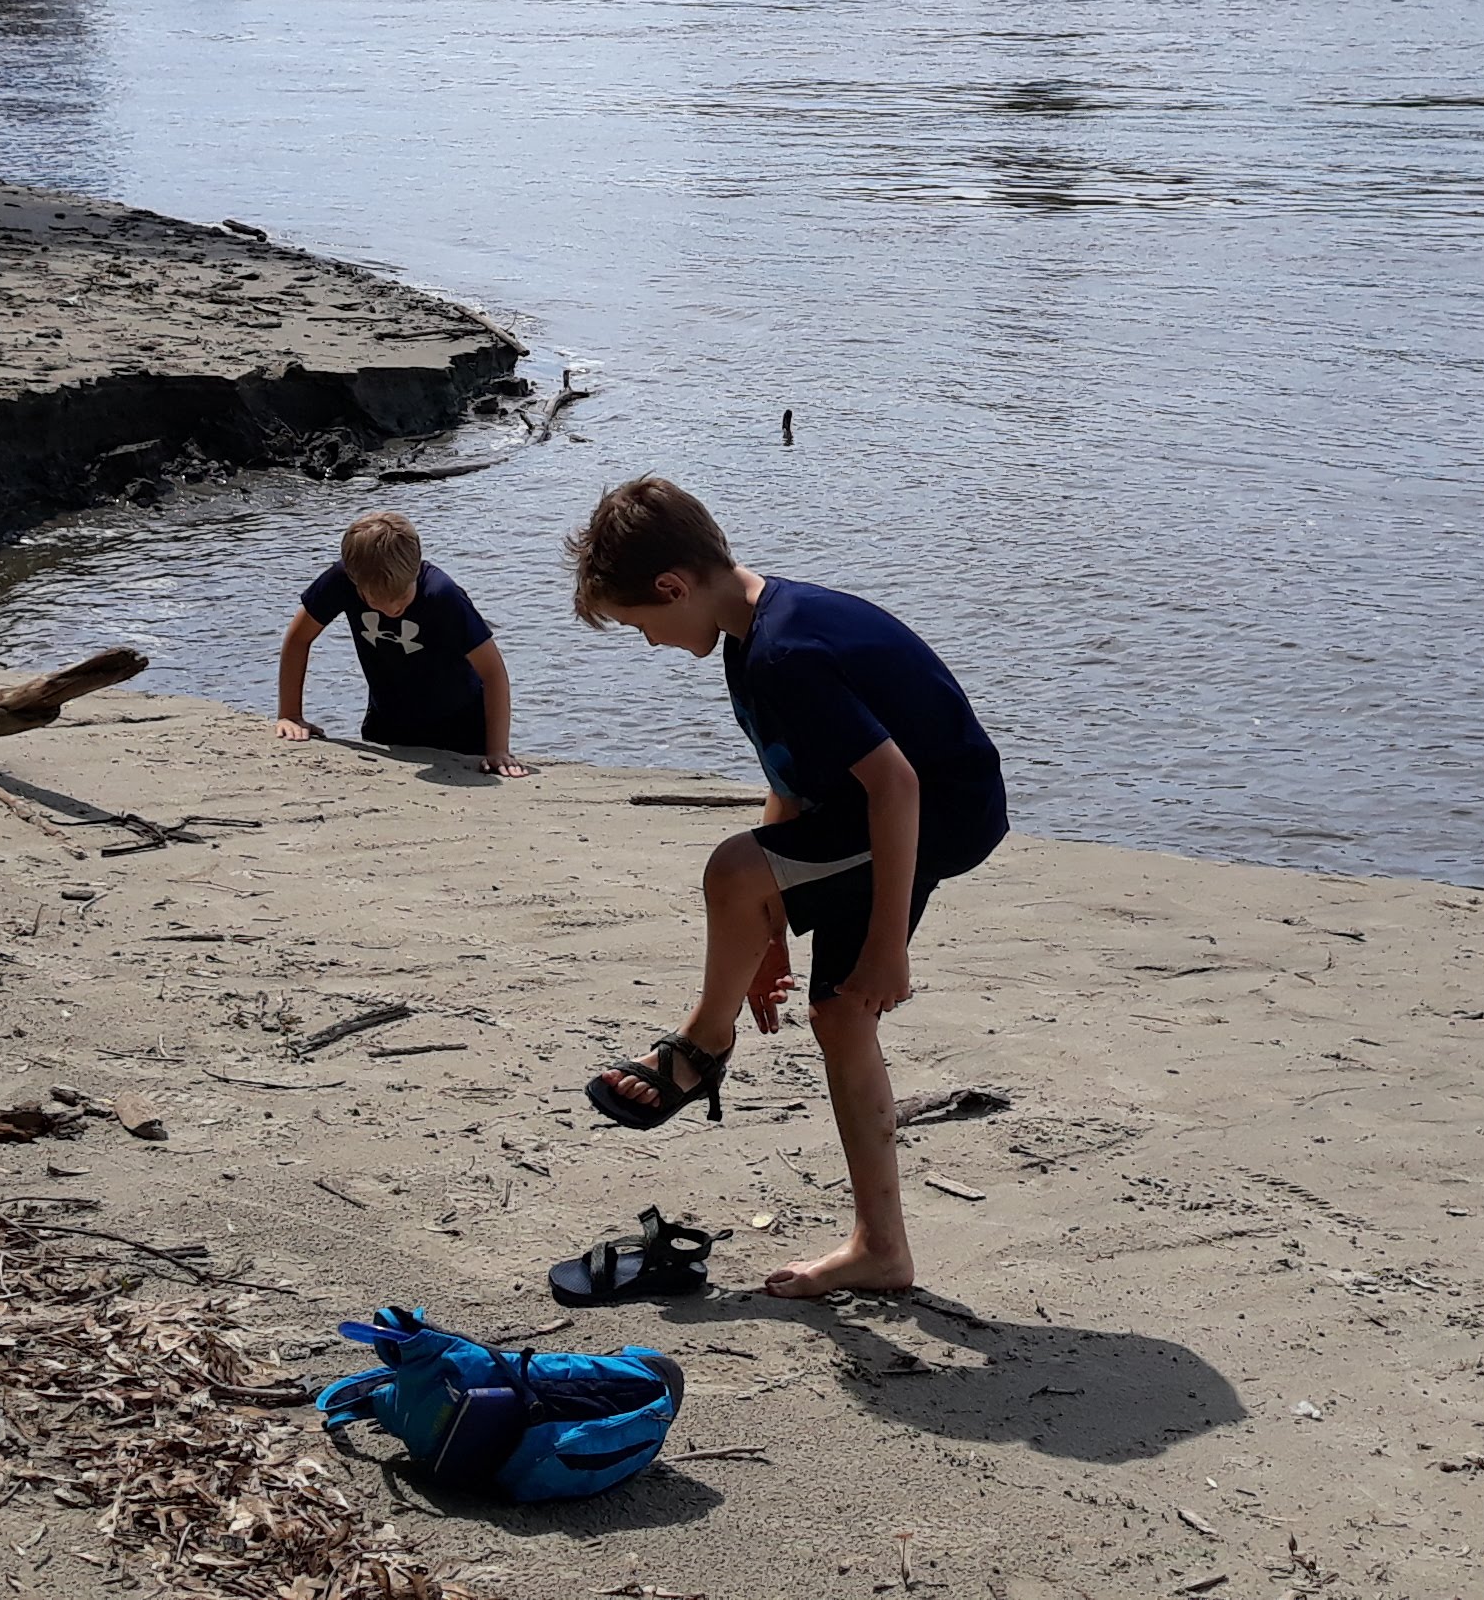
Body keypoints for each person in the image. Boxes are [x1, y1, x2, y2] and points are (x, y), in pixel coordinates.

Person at [565, 476, 1005, 1299]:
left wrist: (884, 947)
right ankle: (882, 1251)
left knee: (730, 868)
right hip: (876, 815)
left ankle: (701, 1047)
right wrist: (769, 933)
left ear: (673, 587)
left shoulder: (786, 651)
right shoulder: (749, 635)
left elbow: (898, 788)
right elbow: (793, 790)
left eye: (642, 626)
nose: (652, 644)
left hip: (936, 815)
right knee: (839, 1016)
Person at [274, 510, 522, 776]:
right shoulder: (341, 581)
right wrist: (290, 713)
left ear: (415, 569)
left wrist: (497, 749)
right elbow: (299, 638)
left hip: (460, 725)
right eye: (375, 600)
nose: (392, 608)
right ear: (354, 580)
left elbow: (493, 673)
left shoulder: (442, 596)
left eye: (402, 596)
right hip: (387, 721)